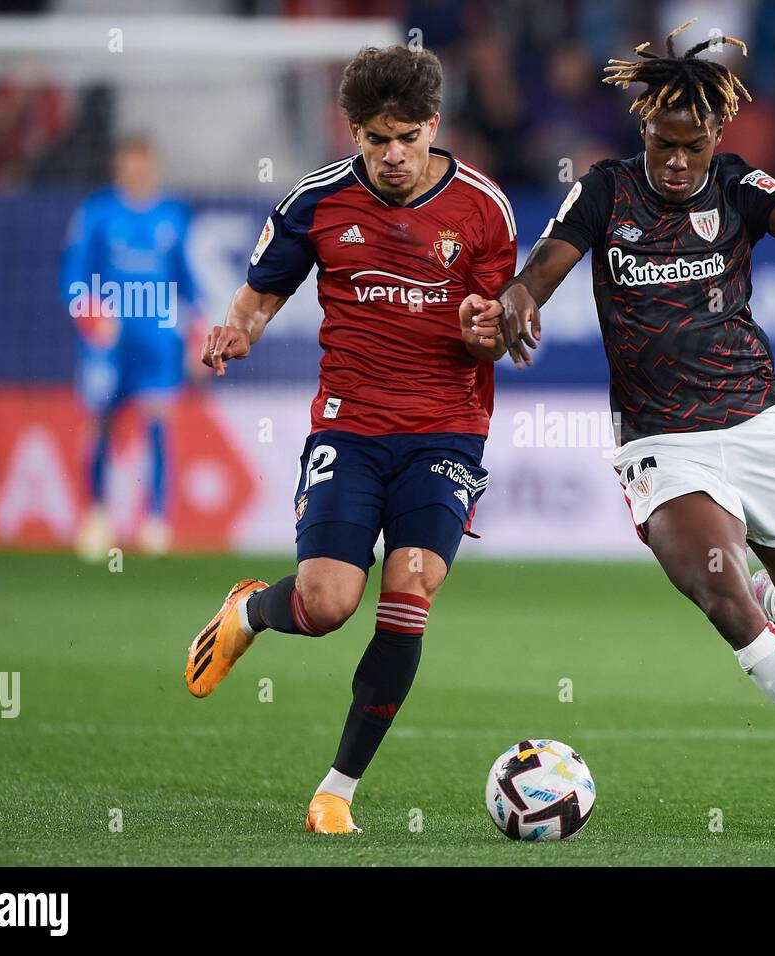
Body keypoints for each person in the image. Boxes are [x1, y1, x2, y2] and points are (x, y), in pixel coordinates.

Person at [469, 21, 775, 829]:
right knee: (720, 592)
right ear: (643, 127)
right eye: (663, 143)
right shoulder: (606, 191)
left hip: (760, 423)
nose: (676, 162)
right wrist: (513, 308)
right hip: (661, 443)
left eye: (692, 145)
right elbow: (538, 272)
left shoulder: (742, 188)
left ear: (717, 133)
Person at [182, 45, 515, 834]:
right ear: (354, 131)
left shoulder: (483, 209)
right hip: (350, 424)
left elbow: (499, 324)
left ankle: (336, 791)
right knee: (328, 604)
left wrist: (486, 331)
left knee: (409, 585)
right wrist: (239, 331)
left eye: (407, 136)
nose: (393, 155)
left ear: (434, 125)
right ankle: (251, 613)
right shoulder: (318, 201)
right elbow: (263, 291)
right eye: (376, 139)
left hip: (446, 428)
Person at [61, 134, 201, 558]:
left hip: (158, 342)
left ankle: (155, 523)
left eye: (143, 165)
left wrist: (197, 330)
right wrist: (89, 314)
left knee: (158, 424)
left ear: (152, 167)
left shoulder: (173, 216)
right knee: (101, 422)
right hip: (109, 343)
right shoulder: (97, 213)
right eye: (129, 165)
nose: (136, 172)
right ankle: (98, 518)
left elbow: (188, 282)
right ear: (119, 167)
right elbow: (73, 275)